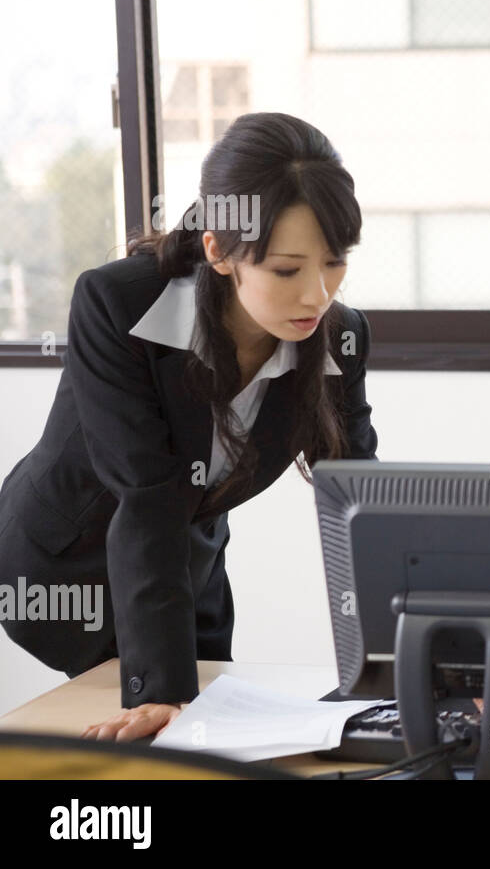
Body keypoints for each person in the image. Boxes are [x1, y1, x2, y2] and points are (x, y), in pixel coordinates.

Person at [0, 112, 379, 741]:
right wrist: (164, 689)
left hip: (187, 564)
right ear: (219, 251)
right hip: (65, 567)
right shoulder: (116, 304)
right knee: (145, 733)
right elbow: (146, 495)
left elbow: (363, 500)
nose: (317, 295)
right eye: (287, 270)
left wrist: (434, 666)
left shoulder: (339, 334)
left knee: (207, 737)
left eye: (334, 263)